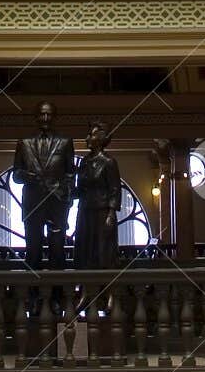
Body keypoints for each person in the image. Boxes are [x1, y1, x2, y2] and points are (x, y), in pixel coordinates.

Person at [12, 100, 74, 268]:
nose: (45, 118)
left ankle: (57, 291)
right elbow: (16, 175)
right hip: (33, 200)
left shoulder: (65, 142)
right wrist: (27, 176)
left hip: (57, 201)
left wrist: (67, 198)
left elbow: (70, 173)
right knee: (33, 247)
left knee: (57, 248)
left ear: (55, 117)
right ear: (35, 117)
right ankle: (32, 291)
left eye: (49, 114)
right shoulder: (24, 142)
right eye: (42, 114)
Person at [73, 122, 122, 267]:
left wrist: (111, 214)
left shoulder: (109, 162)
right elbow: (80, 188)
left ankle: (104, 284)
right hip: (85, 210)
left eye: (91, 135)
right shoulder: (85, 161)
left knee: (102, 250)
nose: (87, 138)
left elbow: (115, 189)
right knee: (85, 247)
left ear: (100, 139)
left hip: (102, 212)